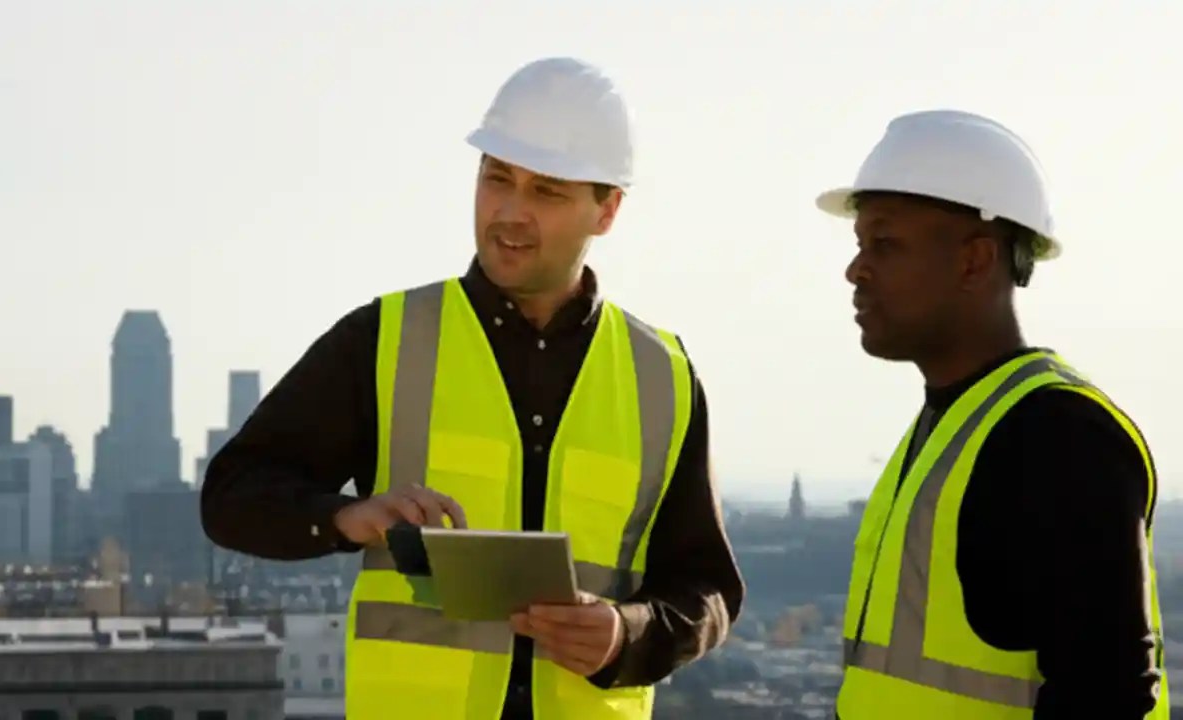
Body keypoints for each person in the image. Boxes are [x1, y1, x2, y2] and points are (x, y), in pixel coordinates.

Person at [200, 56, 743, 720]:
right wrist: (343, 517)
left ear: (607, 211)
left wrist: (628, 634)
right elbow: (232, 496)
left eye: (546, 191)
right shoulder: (386, 340)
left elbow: (707, 588)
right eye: (497, 179)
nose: (510, 213)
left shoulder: (662, 375)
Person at [816, 109, 1170, 719]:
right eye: (859, 244)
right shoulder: (955, 428)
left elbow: (1108, 695)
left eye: (885, 243)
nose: (856, 269)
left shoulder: (1059, 437)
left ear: (975, 261)